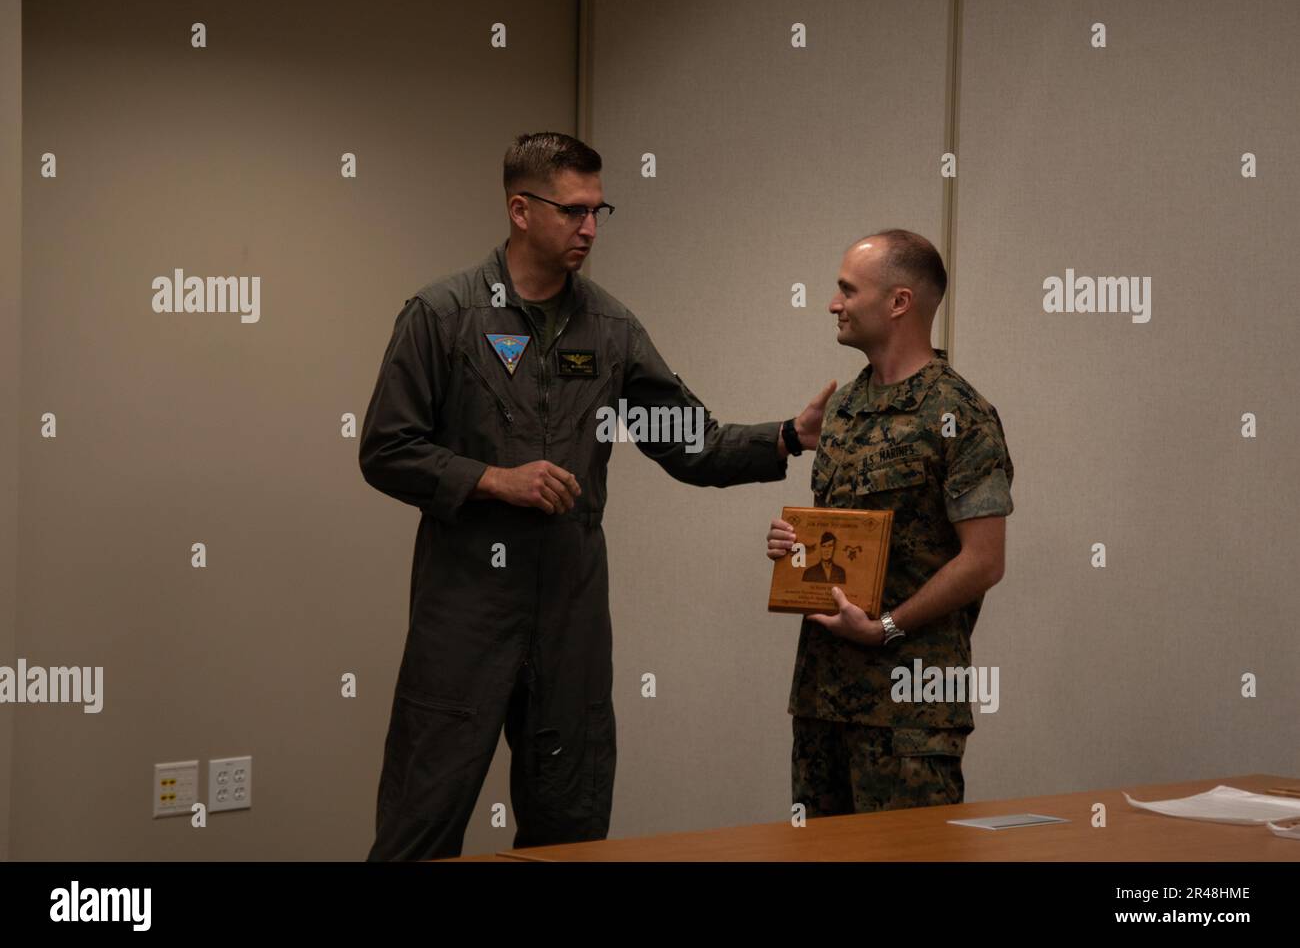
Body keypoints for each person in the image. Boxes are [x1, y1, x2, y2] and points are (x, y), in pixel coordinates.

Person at [358, 131, 835, 860]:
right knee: (419, 826)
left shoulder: (609, 329)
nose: (589, 228)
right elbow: (386, 449)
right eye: (573, 210)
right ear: (521, 209)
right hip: (463, 613)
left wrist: (786, 437)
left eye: (598, 211)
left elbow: (688, 441)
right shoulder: (442, 316)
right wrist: (491, 479)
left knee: (571, 827)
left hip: (570, 617)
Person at [766, 229, 1013, 817]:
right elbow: (845, 541)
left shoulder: (960, 414)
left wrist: (888, 627)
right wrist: (792, 549)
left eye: (848, 290)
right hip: (823, 699)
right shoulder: (844, 407)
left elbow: (984, 560)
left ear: (899, 303)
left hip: (910, 711)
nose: (833, 303)